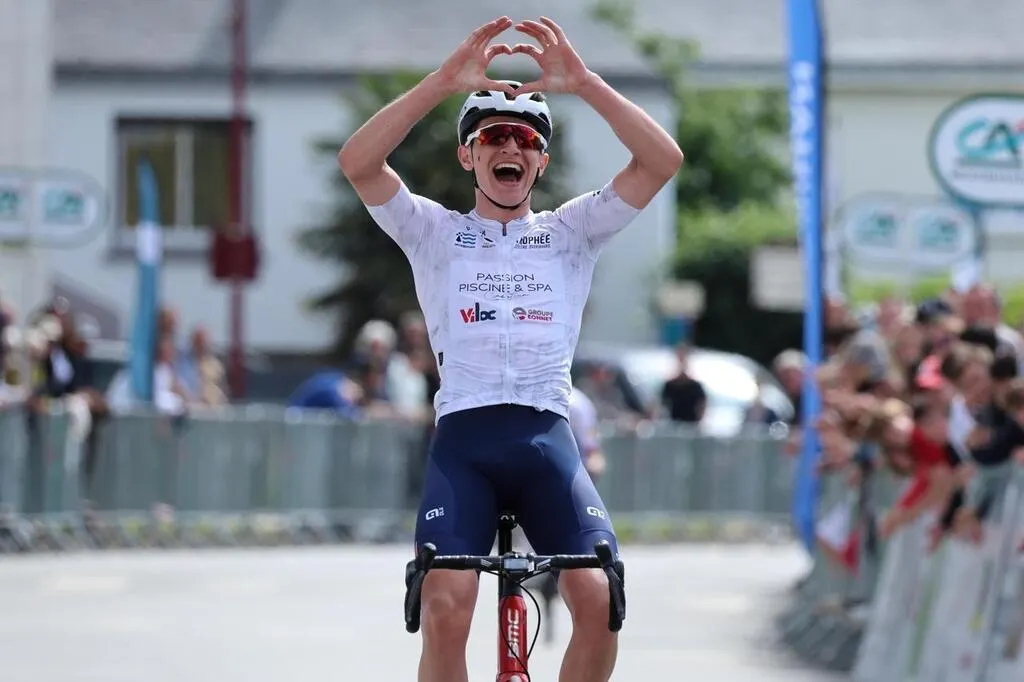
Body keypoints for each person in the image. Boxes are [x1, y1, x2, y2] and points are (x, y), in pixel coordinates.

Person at [338, 15, 683, 682]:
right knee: (445, 606)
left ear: (540, 161)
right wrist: (442, 83)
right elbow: (358, 163)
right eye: (492, 136)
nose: (510, 146)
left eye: (524, 139)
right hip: (465, 443)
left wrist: (583, 84)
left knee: (600, 597)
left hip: (546, 440)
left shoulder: (571, 231)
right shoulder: (433, 231)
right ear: (468, 155)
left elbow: (662, 161)